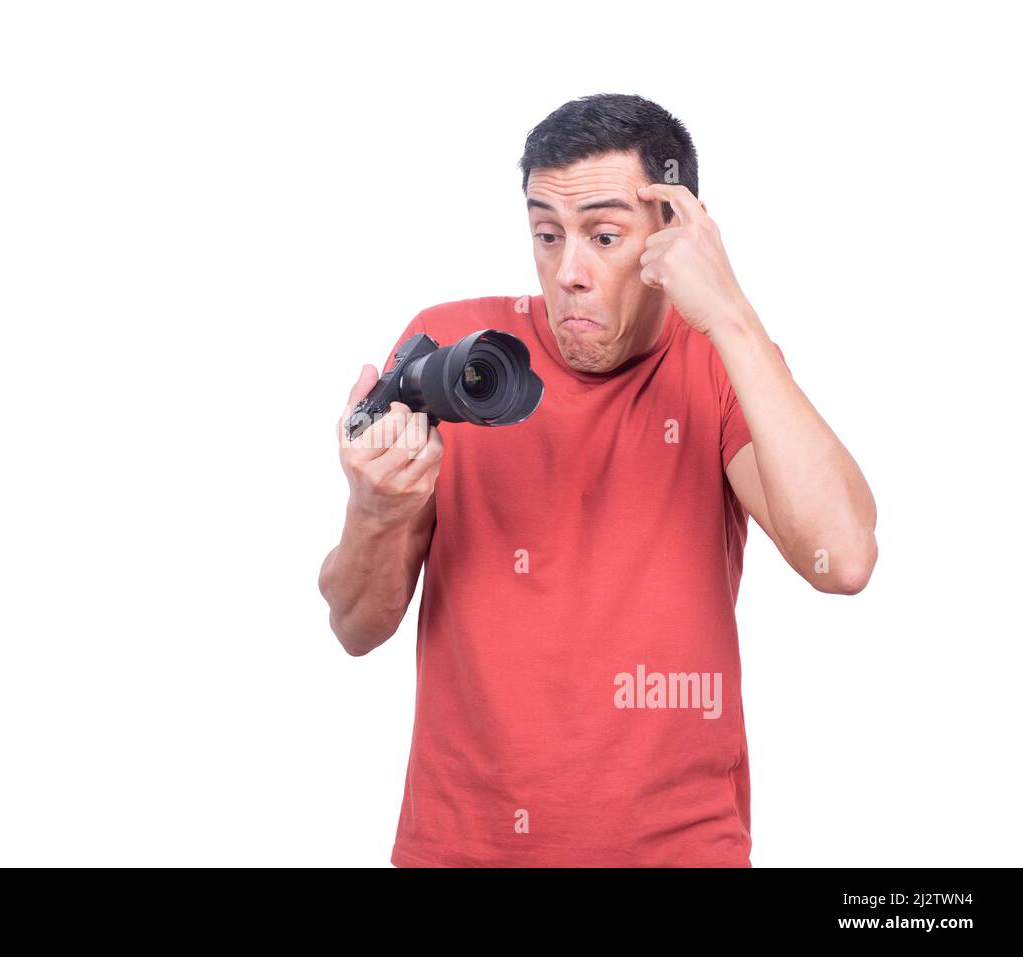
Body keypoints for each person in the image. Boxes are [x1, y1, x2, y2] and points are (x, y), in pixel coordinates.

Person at [317, 93, 878, 867]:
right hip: (462, 849)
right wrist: (375, 509)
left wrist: (732, 315)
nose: (568, 272)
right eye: (547, 235)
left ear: (678, 235)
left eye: (604, 235)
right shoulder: (459, 357)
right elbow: (355, 626)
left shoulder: (718, 362)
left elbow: (842, 557)